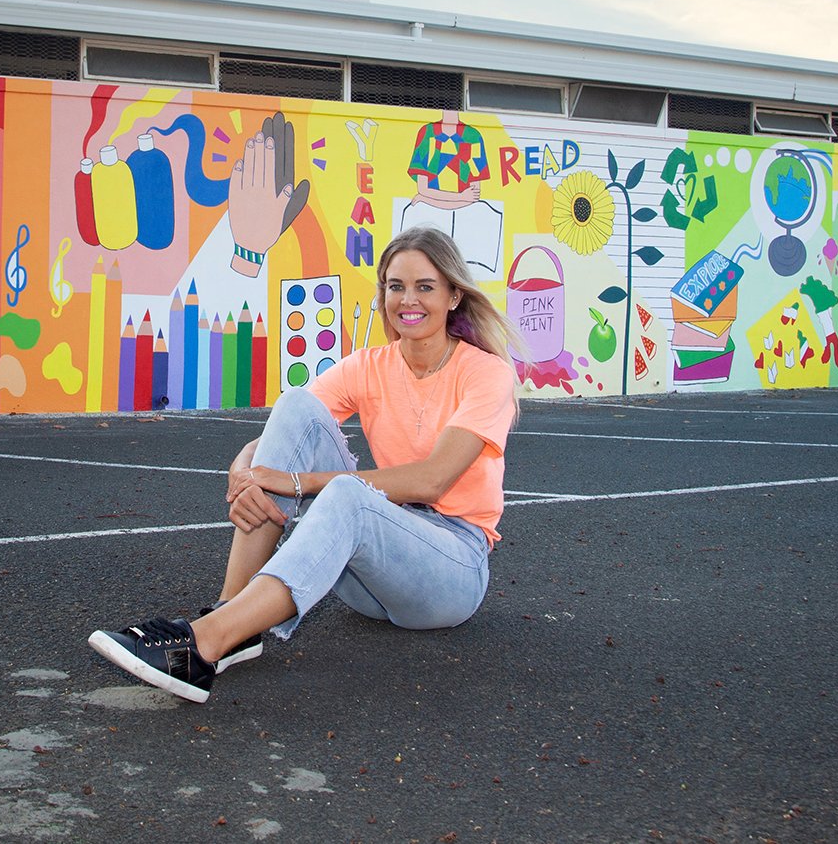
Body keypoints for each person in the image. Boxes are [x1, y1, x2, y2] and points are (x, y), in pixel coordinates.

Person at [87, 225, 518, 702]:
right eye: (396, 286)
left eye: (425, 286)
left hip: (450, 570)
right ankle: (233, 616)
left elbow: (432, 481)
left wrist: (298, 483)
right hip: (372, 574)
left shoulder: (486, 374)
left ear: (454, 296)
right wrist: (243, 469)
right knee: (297, 404)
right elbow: (289, 431)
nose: (408, 300)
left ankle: (204, 644)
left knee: (350, 495)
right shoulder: (371, 365)